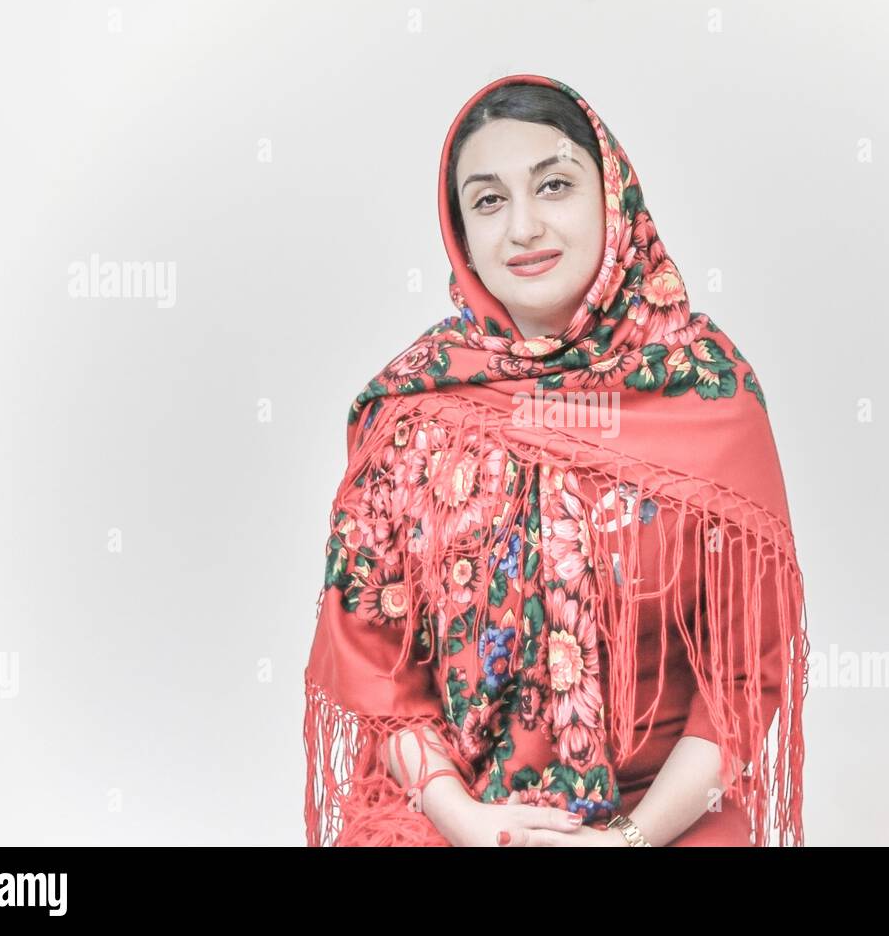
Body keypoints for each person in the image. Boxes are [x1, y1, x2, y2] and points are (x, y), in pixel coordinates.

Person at [303, 73, 809, 847]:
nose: (524, 227)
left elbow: (742, 680)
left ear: (611, 197)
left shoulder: (705, 391)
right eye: (489, 200)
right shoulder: (410, 410)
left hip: (663, 818)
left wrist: (629, 839)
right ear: (461, 230)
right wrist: (470, 823)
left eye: (555, 185)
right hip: (455, 813)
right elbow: (380, 675)